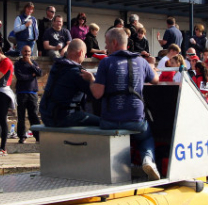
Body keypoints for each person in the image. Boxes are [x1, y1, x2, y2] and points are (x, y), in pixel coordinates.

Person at [91, 28, 160, 181]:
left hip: (110, 120)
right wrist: (152, 68)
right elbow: (156, 80)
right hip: (136, 120)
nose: (105, 47)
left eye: (107, 43)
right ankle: (148, 159)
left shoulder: (106, 63)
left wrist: (90, 80)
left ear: (114, 43)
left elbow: (97, 93)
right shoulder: (141, 61)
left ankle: (117, 167)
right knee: (145, 137)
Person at [40, 39, 100, 128]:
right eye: (85, 54)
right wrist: (92, 80)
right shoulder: (77, 73)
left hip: (46, 116)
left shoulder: (57, 66)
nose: (84, 57)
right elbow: (96, 94)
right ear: (81, 53)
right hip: (64, 117)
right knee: (103, 122)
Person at [14, 45, 42, 143]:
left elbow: (39, 73)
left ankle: (38, 137)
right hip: (22, 92)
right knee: (21, 116)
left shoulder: (33, 63)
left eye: (29, 52)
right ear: (22, 52)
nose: (27, 53)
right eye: (25, 51)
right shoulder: (18, 64)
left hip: (32, 93)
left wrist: (31, 64)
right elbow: (20, 77)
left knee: (33, 115)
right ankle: (22, 136)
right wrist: (31, 75)